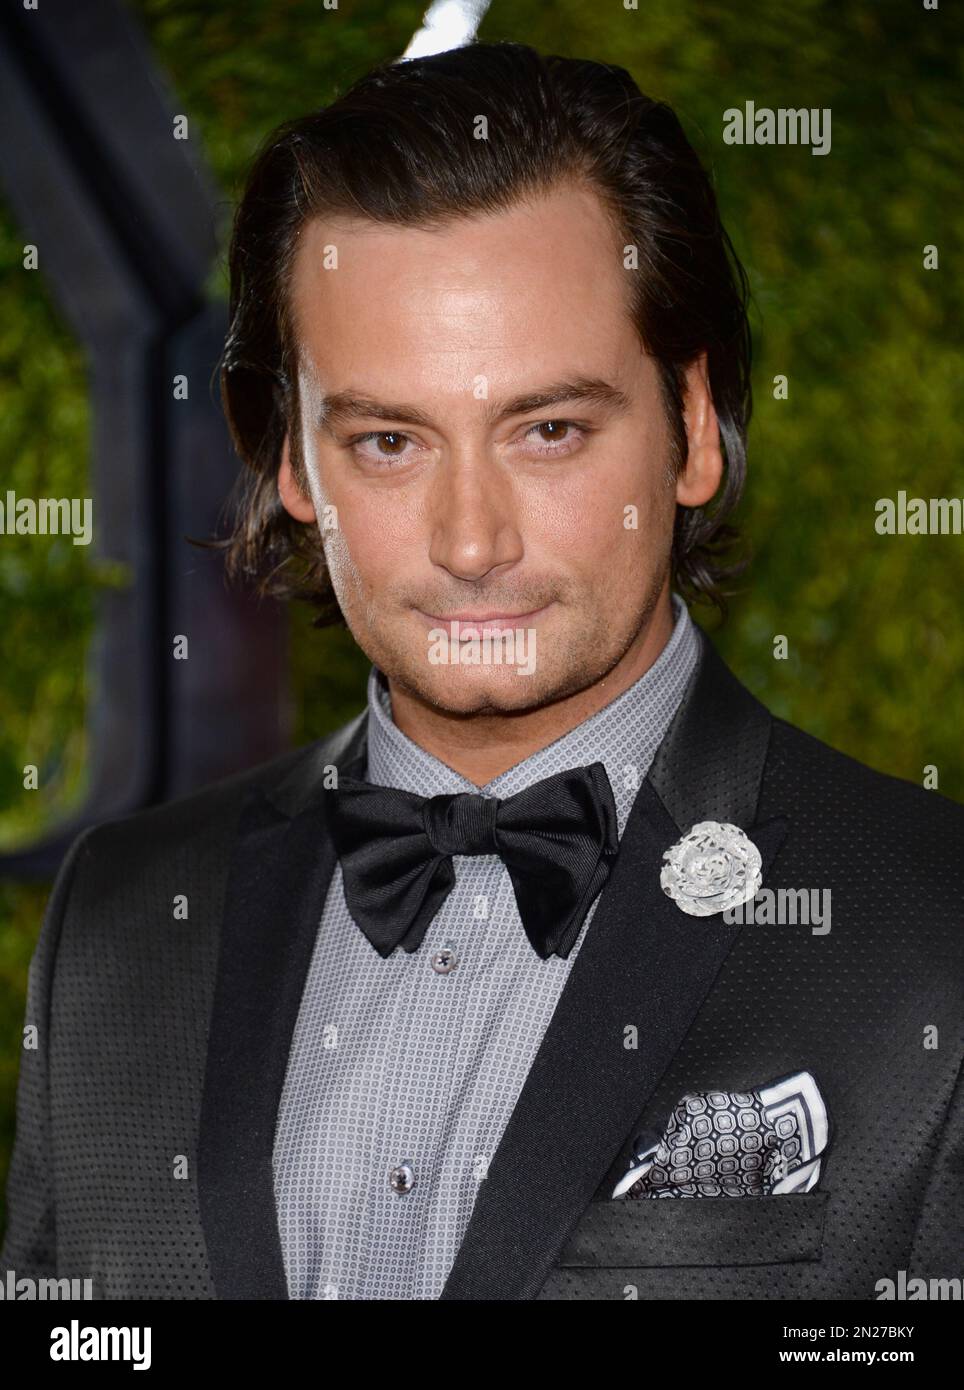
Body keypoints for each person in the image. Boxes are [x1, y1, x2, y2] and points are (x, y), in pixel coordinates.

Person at [2, 41, 961, 1302]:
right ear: (293, 465)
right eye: (391, 441)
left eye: (548, 430)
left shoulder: (930, 928)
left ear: (689, 428)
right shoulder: (119, 924)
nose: (470, 542)